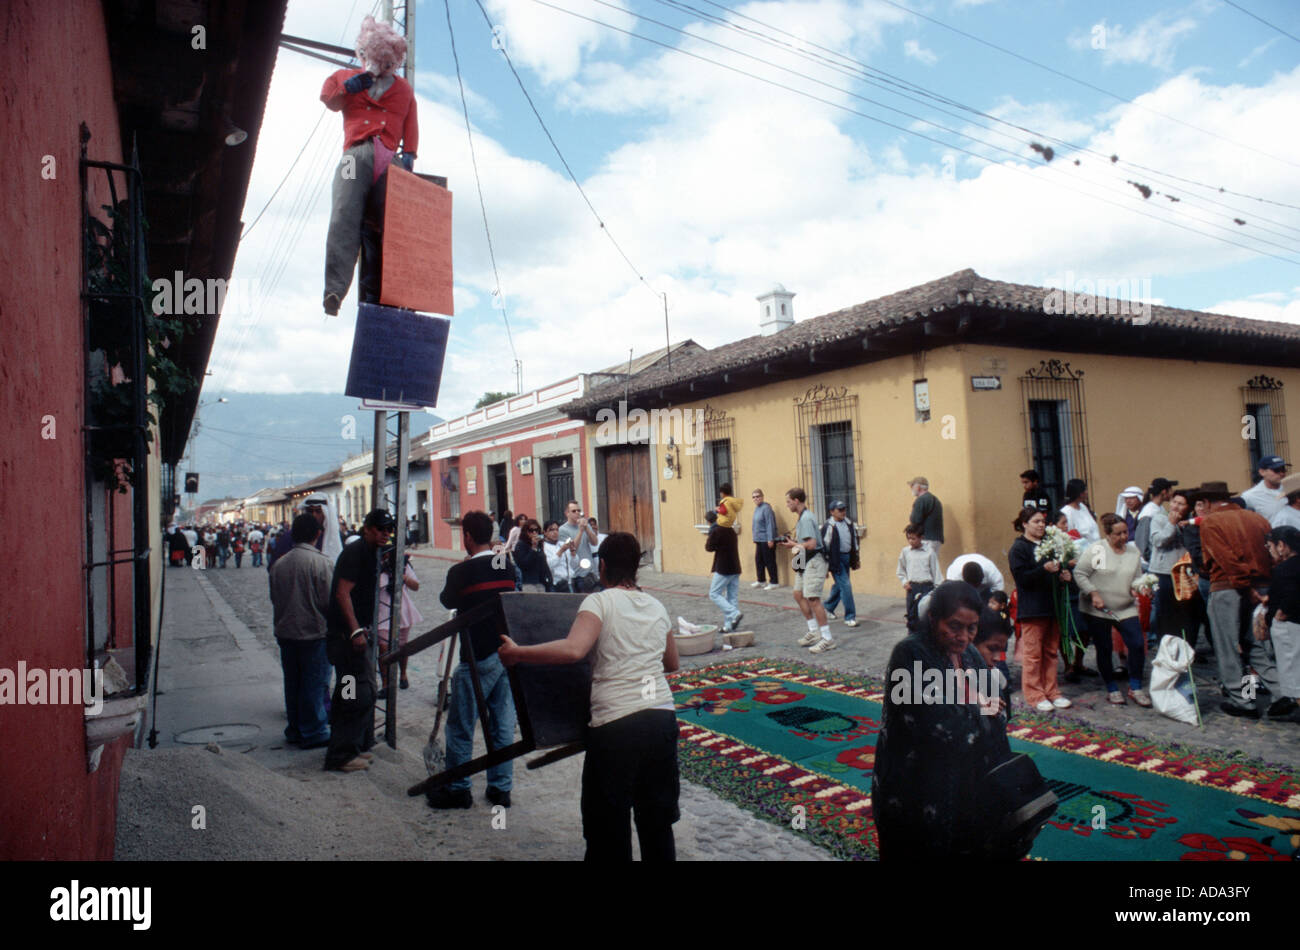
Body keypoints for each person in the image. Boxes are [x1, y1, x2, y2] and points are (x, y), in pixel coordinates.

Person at [499, 532, 680, 861]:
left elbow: (573, 650)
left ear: (604, 565)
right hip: (662, 719)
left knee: (608, 829)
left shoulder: (599, 601)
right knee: (657, 823)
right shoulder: (656, 605)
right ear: (637, 567)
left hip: (617, 725)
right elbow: (672, 663)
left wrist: (518, 653)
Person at [871, 582, 1012, 861]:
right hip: (915, 788)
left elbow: (1001, 710)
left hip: (964, 787)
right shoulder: (910, 654)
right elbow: (939, 727)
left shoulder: (969, 654)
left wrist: (979, 710)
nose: (963, 636)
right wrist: (979, 708)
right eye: (955, 626)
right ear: (934, 619)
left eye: (972, 628)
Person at [320, 15, 418, 315]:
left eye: (389, 64)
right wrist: (349, 87)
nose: (383, 70)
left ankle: (395, 294)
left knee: (393, 227)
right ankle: (335, 290)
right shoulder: (345, 76)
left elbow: (411, 122)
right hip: (355, 155)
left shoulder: (404, 90)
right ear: (364, 54)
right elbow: (328, 99)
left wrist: (410, 152)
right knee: (343, 215)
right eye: (379, 62)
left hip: (390, 158)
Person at [430, 511, 519, 809]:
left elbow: (448, 600)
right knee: (502, 725)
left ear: (467, 536)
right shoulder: (504, 564)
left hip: (477, 654)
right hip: (506, 651)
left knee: (461, 724)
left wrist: (465, 569)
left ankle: (458, 788)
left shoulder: (461, 572)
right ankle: (500, 788)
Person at [1198, 481, 1285, 720]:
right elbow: (1273, 553)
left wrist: (1245, 586)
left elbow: (1226, 559)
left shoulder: (1211, 522)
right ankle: (1281, 691)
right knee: (1254, 645)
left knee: (1227, 646)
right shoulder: (1256, 519)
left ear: (1206, 502)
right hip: (1262, 585)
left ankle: (1243, 700)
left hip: (1230, 588)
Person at [323, 508, 393, 772]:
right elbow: (342, 594)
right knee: (353, 694)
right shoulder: (356, 552)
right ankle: (340, 755)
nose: (385, 534)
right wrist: (354, 631)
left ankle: (351, 747)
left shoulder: (371, 552)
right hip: (346, 641)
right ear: (367, 528)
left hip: (354, 638)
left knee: (353, 694)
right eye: (380, 529)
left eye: (388, 529)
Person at [269, 513, 334, 750]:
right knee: (314, 684)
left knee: (293, 683)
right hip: (313, 633)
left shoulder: (280, 563)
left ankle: (295, 728)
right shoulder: (321, 562)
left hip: (286, 632)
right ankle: (314, 730)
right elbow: (329, 601)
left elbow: (274, 598)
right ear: (318, 534)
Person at [1074, 513, 1150, 707]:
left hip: (1124, 607)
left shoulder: (1132, 552)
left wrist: (1141, 588)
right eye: (1118, 534)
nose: (1123, 537)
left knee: (1136, 644)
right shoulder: (1098, 550)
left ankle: (1135, 686)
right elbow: (1081, 574)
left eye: (1125, 532)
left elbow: (1137, 578)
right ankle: (1112, 688)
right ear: (1108, 535)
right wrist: (1093, 593)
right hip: (1099, 609)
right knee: (1104, 647)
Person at [1008, 508, 1073, 713]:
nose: (1040, 525)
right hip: (1033, 608)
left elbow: (1059, 569)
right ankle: (1035, 693)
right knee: (1033, 654)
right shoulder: (1019, 548)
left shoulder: (1050, 545)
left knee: (1051, 651)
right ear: (1025, 524)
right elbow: (1022, 578)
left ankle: (1052, 691)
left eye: (1042, 521)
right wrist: (1042, 570)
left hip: (1052, 606)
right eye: (1035, 521)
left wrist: (1064, 576)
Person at [781, 488, 834, 653]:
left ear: (796, 501)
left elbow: (811, 544)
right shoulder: (802, 517)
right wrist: (794, 542)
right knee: (798, 594)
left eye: (788, 501)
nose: (787, 505)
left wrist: (793, 545)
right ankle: (813, 631)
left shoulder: (806, 519)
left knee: (813, 599)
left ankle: (827, 638)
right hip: (804, 559)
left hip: (813, 560)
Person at [1264, 526, 1300, 716]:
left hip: (1288, 626)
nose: (1269, 551)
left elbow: (1291, 596)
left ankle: (1247, 701)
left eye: (1270, 546)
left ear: (1281, 545)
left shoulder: (1285, 569)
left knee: (1294, 676)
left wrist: (1280, 614)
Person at [377, 549, 422, 691]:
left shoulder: (403, 565)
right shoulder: (377, 565)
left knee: (402, 646)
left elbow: (416, 586)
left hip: (402, 610)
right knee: (383, 647)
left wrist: (403, 577)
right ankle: (385, 684)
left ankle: (403, 675)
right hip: (382, 611)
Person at [822, 501, 860, 627]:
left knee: (841, 585)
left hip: (847, 557)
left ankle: (828, 607)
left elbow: (854, 541)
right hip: (835, 560)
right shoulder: (829, 526)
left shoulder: (849, 523)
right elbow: (824, 547)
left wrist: (856, 558)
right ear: (832, 512)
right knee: (846, 586)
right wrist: (825, 566)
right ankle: (850, 616)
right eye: (839, 510)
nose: (843, 512)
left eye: (844, 509)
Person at [897, 524, 940, 634]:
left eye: (913, 538)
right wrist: (904, 582)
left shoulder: (930, 552)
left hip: (926, 587)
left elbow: (936, 572)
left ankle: (926, 639)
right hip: (912, 588)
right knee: (911, 616)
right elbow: (901, 570)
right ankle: (911, 639)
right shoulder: (905, 552)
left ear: (921, 537)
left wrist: (937, 589)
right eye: (909, 538)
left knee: (925, 615)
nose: (910, 541)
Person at [704, 510, 742, 632]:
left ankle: (734, 613)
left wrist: (710, 534)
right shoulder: (730, 529)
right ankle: (729, 626)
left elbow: (709, 547)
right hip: (735, 566)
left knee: (714, 594)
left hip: (724, 568)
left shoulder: (716, 530)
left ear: (709, 522)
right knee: (732, 596)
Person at [558, 500, 600, 593]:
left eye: (578, 510)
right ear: (567, 513)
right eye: (573, 511)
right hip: (576, 574)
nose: (577, 513)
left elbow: (595, 542)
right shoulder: (562, 530)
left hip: (589, 572)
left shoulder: (585, 525)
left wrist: (587, 529)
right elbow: (572, 549)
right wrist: (581, 531)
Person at [907, 476, 944, 564]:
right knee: (932, 567)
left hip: (925, 540)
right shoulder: (936, 500)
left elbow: (915, 520)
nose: (911, 488)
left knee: (923, 568)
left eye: (912, 486)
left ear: (918, 487)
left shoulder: (921, 500)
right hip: (936, 540)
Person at [1242, 456, 1290, 521]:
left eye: (1283, 470)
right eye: (1276, 470)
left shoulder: (1293, 489)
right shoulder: (1250, 496)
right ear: (1262, 472)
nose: (1281, 473)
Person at [749, 488, 779, 589]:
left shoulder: (766, 508)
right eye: (754, 497)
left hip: (766, 539)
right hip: (759, 539)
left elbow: (770, 524)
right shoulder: (757, 508)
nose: (756, 498)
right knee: (759, 560)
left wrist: (770, 539)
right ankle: (761, 580)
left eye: (758, 496)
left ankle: (774, 582)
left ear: (762, 497)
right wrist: (755, 537)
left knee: (769, 561)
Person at [514, 519, 553, 592]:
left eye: (536, 530)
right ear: (526, 531)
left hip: (541, 581)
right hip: (528, 582)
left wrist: (549, 578)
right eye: (531, 530)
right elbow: (524, 564)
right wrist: (533, 548)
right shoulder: (520, 545)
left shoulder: (539, 544)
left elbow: (543, 562)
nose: (534, 532)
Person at [1060, 478, 1100, 546]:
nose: (1087, 492)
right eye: (1085, 490)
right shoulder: (1067, 512)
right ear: (1080, 493)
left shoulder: (1083, 506)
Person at [543, 520, 571, 592]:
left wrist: (573, 552)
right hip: (554, 583)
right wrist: (560, 551)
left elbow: (573, 563)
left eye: (557, 530)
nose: (555, 532)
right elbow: (548, 565)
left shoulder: (562, 544)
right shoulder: (543, 547)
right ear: (545, 532)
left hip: (567, 582)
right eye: (551, 530)